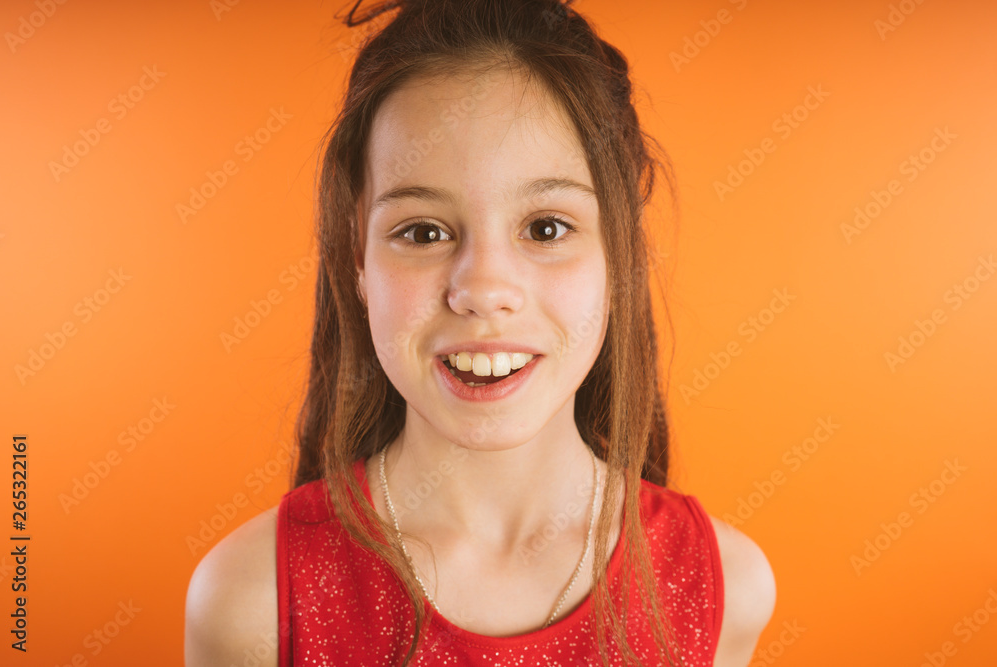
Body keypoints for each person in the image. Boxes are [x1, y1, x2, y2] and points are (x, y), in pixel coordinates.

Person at [185, 0, 776, 665]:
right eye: (423, 232)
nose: (483, 289)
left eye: (546, 228)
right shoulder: (249, 598)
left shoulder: (726, 586)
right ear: (358, 260)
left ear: (621, 254)